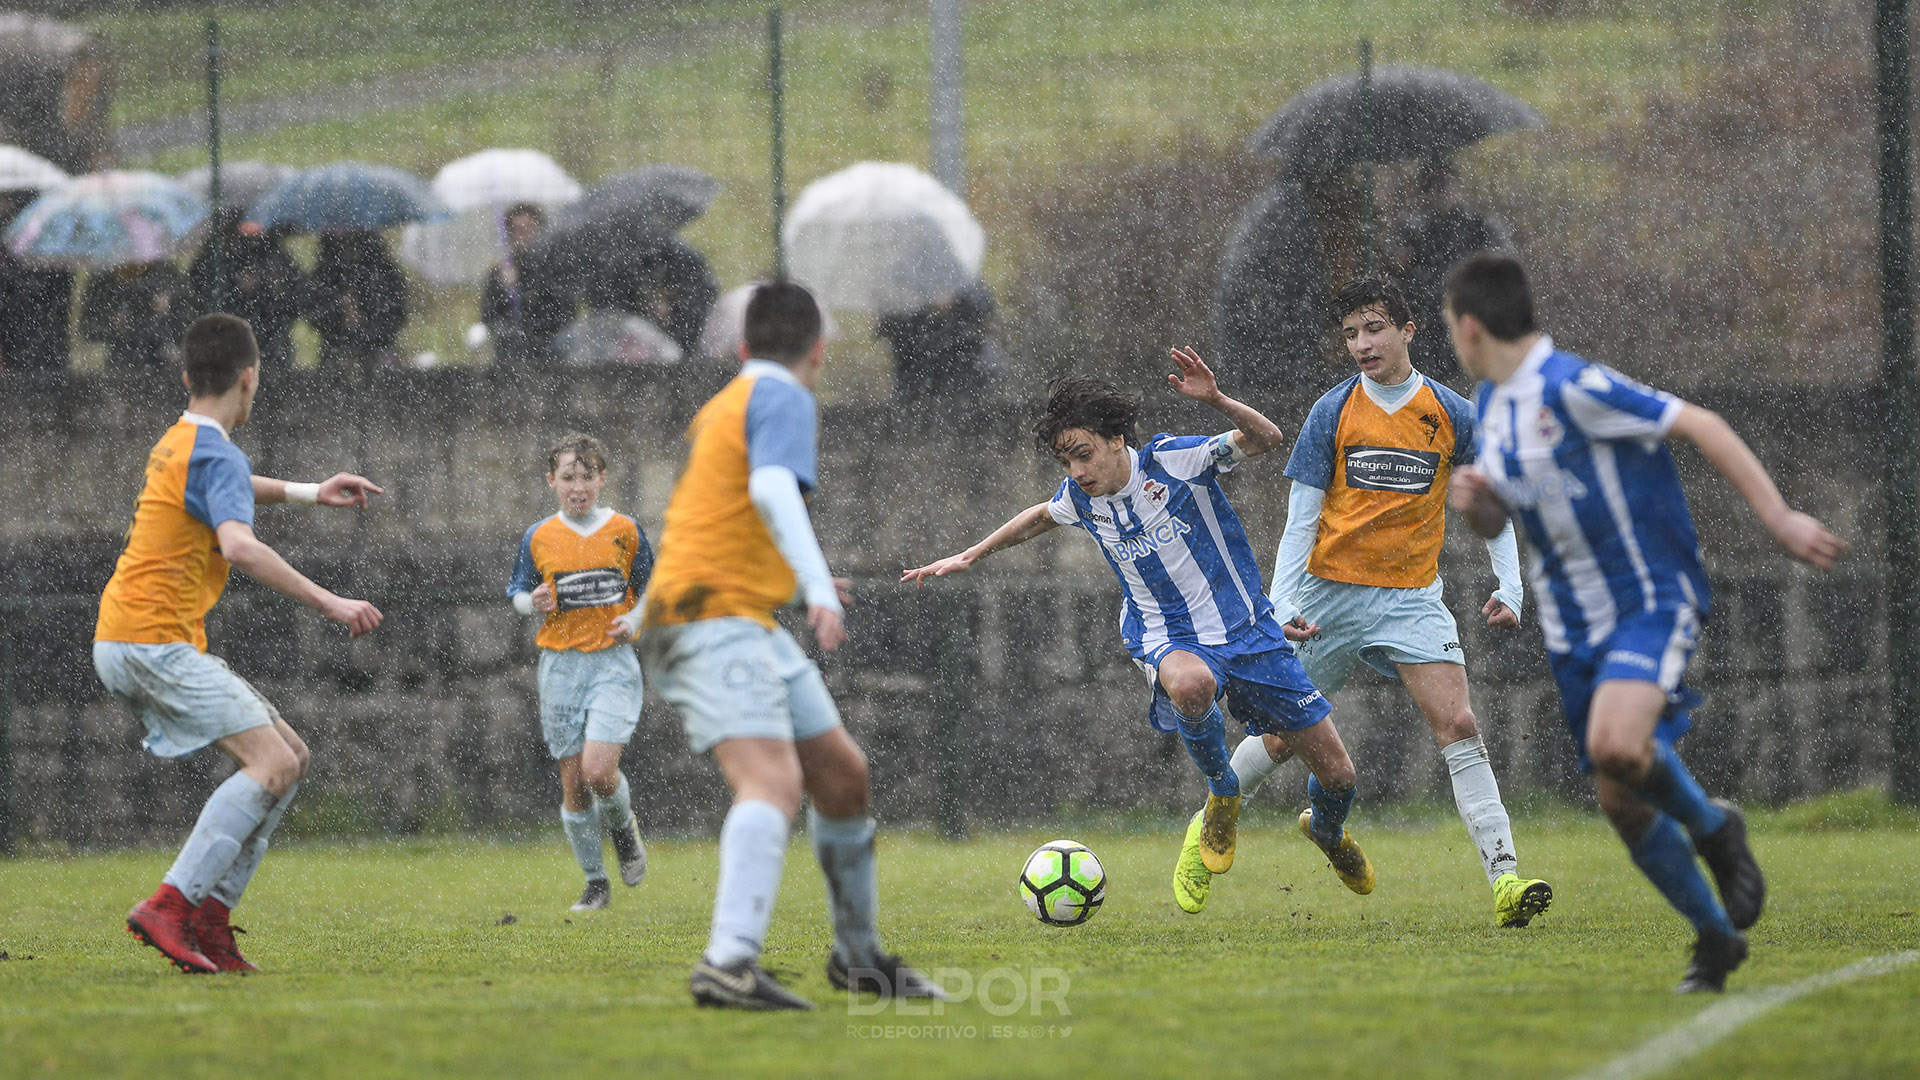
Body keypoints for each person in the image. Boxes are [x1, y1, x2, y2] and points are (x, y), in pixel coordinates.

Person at [1443, 252, 1846, 992]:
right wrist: (1480, 509)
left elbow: (1703, 424)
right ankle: (1716, 937)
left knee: (1614, 743)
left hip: (1646, 599)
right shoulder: (1492, 405)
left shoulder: (1574, 385)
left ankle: (1714, 828)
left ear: (1469, 326)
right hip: (1571, 626)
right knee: (1620, 798)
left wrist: (1779, 517)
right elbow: (1507, 511)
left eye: (1449, 325)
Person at [903, 354, 1376, 913]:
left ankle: (1325, 830)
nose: (1076, 472)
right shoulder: (1080, 497)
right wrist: (969, 555)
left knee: (1340, 776)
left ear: (1117, 439)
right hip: (1165, 632)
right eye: (1065, 460)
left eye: (1083, 455)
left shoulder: (1176, 461)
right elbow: (1037, 516)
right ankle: (1222, 795)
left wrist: (1216, 401)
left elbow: (1268, 437)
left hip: (1252, 632)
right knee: (1190, 685)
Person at [618, 280, 943, 1010]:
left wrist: (800, 587)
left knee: (842, 777)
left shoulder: (723, 404)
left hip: (737, 614)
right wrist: (820, 585)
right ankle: (728, 963)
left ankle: (859, 959)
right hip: (711, 618)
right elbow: (768, 490)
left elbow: (722, 523)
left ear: (741, 347)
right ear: (819, 349)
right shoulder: (785, 397)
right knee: (771, 783)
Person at [1187, 274, 1550, 926]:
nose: (1361, 343)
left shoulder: (1451, 414)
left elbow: (1490, 502)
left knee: (1461, 728)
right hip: (1327, 599)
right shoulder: (1333, 412)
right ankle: (1209, 820)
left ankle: (1506, 882)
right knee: (1278, 740)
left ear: (1409, 330)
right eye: (1351, 333)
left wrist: (1511, 585)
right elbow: (1301, 522)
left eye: (1374, 328)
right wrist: (1279, 606)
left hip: (1412, 599)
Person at [95, 313, 384, 974]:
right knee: (272, 765)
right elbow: (239, 545)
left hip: (132, 636)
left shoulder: (182, 439)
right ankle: (172, 905)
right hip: (150, 641)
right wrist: (331, 601)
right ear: (250, 378)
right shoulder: (214, 450)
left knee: (289, 756)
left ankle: (211, 921)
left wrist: (312, 491)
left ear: (188, 375)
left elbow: (226, 489)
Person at [507, 433, 652, 911]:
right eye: (568, 477)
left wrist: (633, 621)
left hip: (611, 664)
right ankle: (596, 882)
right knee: (573, 781)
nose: (577, 486)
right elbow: (518, 593)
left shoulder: (625, 531)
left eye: (586, 476)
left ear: (602, 479)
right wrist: (533, 603)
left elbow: (652, 590)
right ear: (551, 481)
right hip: (561, 666)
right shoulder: (538, 536)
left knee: (598, 771)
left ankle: (623, 828)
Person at [1388, 157, 1512, 382]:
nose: (1444, 194)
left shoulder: (1476, 224)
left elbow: (1502, 258)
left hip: (1468, 308)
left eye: (1448, 187)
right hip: (1424, 312)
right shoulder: (1412, 226)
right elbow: (1396, 263)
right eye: (1436, 189)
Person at [188, 212, 307, 372]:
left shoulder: (270, 248)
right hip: (233, 334)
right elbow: (200, 286)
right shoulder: (217, 251)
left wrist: (275, 287)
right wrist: (235, 288)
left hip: (272, 336)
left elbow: (295, 293)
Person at [481, 203, 575, 367]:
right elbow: (489, 316)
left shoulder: (554, 266)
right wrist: (503, 289)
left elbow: (568, 311)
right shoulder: (502, 271)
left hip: (550, 341)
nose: (523, 235)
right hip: (514, 346)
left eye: (529, 229)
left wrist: (533, 293)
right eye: (517, 230)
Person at [874, 279, 1000, 400]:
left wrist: (954, 300)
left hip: (958, 376)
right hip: (917, 385)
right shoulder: (904, 273)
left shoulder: (958, 272)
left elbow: (982, 302)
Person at [306, 229, 408, 376]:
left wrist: (363, 324)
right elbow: (314, 312)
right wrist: (341, 315)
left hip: (377, 351)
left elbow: (395, 314)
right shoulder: (326, 273)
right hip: (336, 354)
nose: (346, 244)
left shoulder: (382, 271)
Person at [0, 189, 75, 371]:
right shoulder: (18, 235)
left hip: (37, 324)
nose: (5, 205)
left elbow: (60, 292)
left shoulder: (40, 239)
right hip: (21, 326)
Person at [80, 260, 193, 370]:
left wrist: (169, 305)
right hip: (123, 363)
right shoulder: (105, 276)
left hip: (163, 365)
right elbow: (88, 327)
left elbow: (188, 312)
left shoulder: (165, 272)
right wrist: (111, 323)